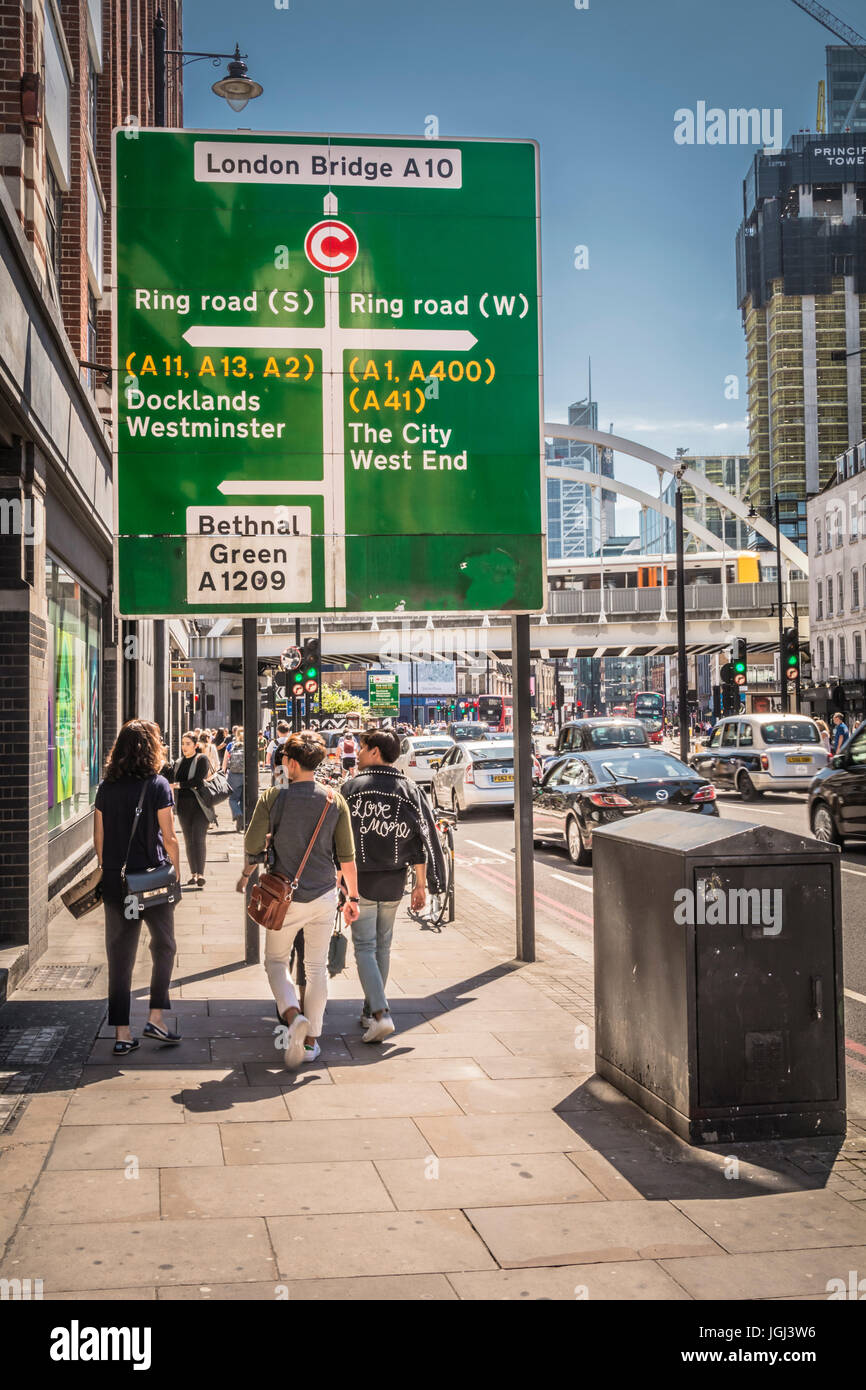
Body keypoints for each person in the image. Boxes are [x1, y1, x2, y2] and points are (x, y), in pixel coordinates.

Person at [239, 731, 360, 1066]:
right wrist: (353, 899)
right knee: (316, 967)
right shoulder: (334, 799)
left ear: (290, 763)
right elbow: (347, 858)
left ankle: (294, 1017)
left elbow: (251, 846)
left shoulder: (273, 797)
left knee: (276, 963)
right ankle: (310, 1043)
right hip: (324, 895)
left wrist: (268, 843)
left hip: (284, 897)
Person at [342, 728, 447, 1043]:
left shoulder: (350, 788)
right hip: (394, 880)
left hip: (359, 880)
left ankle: (380, 1013)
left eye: (361, 748)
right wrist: (421, 884)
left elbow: (336, 840)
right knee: (382, 945)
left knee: (364, 947)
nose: (357, 754)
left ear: (374, 752)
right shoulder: (410, 789)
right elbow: (423, 839)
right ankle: (368, 1010)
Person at [93, 719, 182, 1055]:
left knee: (119, 956)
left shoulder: (106, 787)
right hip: (154, 879)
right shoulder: (158, 785)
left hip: (118, 882)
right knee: (164, 946)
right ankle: (156, 1017)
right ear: (151, 747)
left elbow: (98, 839)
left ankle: (121, 1032)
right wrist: (177, 871)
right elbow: (169, 837)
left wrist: (109, 869)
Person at [170, 731, 212, 887]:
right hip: (183, 807)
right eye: (182, 743)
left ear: (195, 745)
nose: (184, 747)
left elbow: (198, 781)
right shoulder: (178, 763)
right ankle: (193, 874)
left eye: (188, 744)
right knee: (188, 840)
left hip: (200, 806)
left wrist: (178, 785)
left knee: (198, 839)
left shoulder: (202, 759)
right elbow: (171, 778)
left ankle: (201, 874)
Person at [222, 729, 246, 832]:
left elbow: (225, 761)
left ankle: (238, 814)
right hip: (246, 775)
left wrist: (223, 772)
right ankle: (240, 823)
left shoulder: (231, 745)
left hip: (233, 775)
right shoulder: (248, 744)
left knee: (232, 799)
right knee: (243, 800)